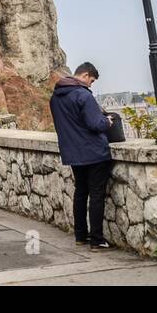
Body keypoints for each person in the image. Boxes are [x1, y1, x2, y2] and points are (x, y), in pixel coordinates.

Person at [50, 62, 115, 249]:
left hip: (73, 152)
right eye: (92, 81)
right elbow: (96, 124)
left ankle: (80, 235)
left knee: (80, 192)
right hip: (94, 152)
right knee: (96, 195)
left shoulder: (56, 97)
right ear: (85, 75)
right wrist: (107, 121)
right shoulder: (83, 95)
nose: (91, 85)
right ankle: (97, 239)